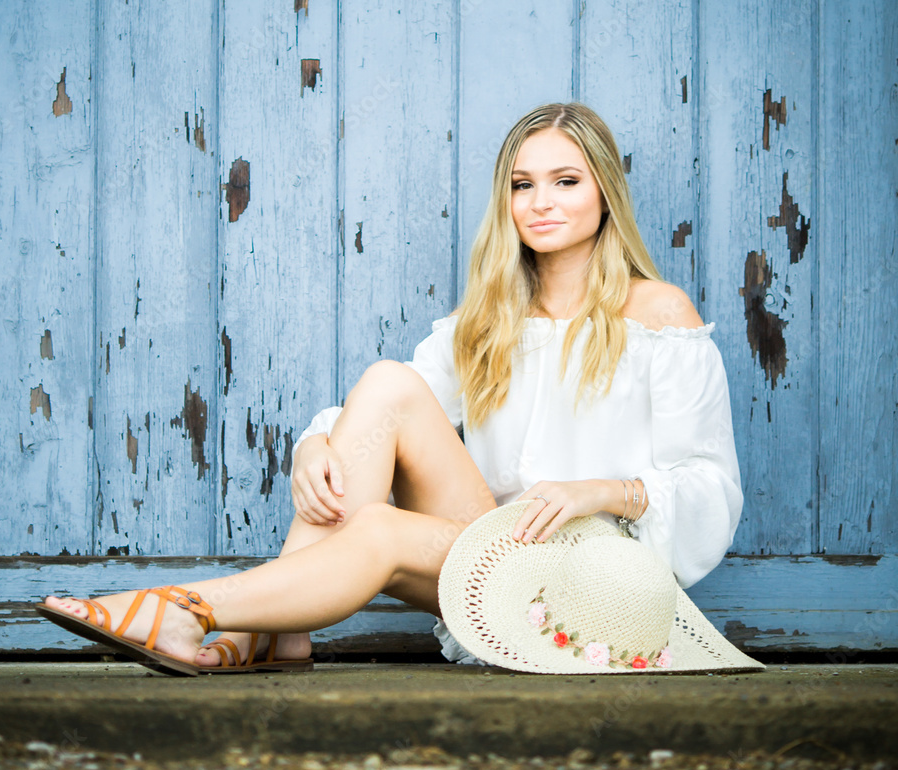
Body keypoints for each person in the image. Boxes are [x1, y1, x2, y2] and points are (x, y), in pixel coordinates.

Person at [37, 102, 743, 675]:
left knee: (375, 526)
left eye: (566, 181)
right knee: (388, 382)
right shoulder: (489, 319)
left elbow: (710, 484)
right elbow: (386, 408)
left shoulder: (658, 315)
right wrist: (313, 445)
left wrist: (600, 491)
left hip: (592, 580)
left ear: (603, 192)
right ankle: (273, 632)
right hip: (498, 553)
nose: (540, 202)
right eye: (522, 184)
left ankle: (199, 613)